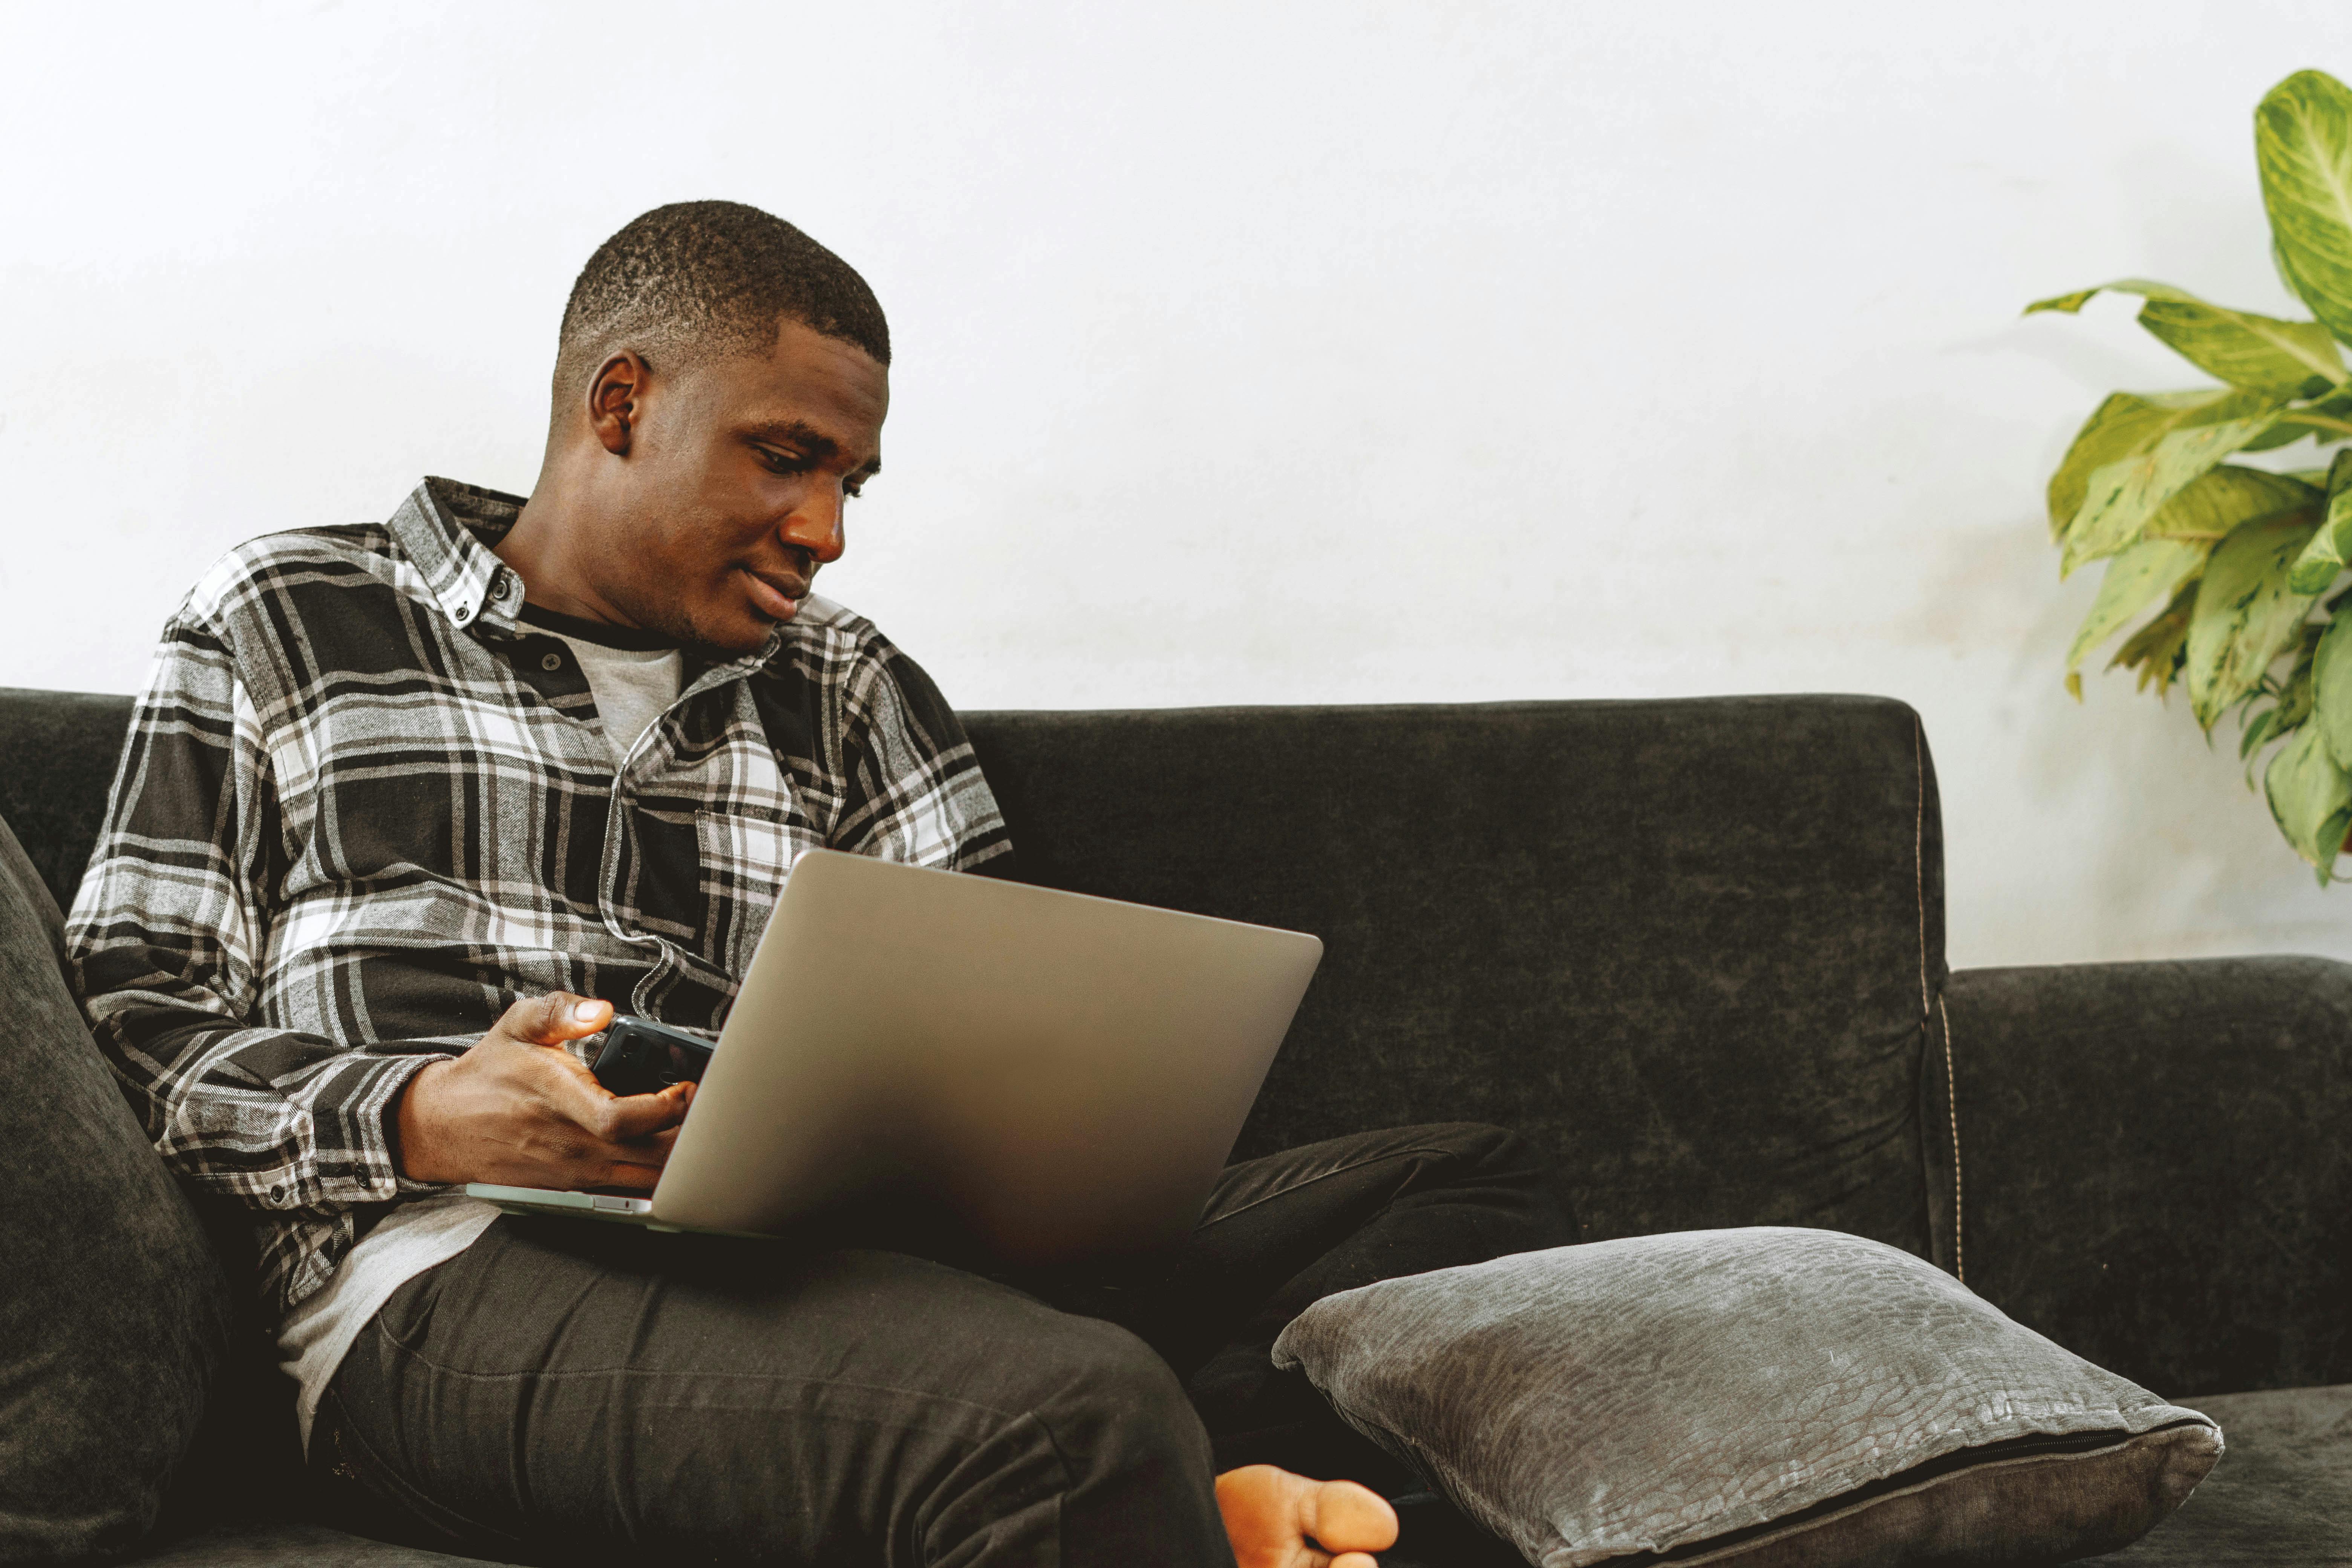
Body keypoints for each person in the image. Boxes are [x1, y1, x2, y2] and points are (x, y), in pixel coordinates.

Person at [65, 201, 1565, 1567]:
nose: (829, 530)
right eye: (789, 457)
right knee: (1064, 1414)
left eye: (852, 480)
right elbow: (134, 1013)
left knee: (1465, 1180)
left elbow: (1001, 1024)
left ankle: (1202, 1471)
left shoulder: (847, 682)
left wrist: (1020, 1133)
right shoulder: (289, 613)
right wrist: (423, 1114)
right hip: (450, 1272)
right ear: (622, 405)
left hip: (838, 1262)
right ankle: (1174, 1459)